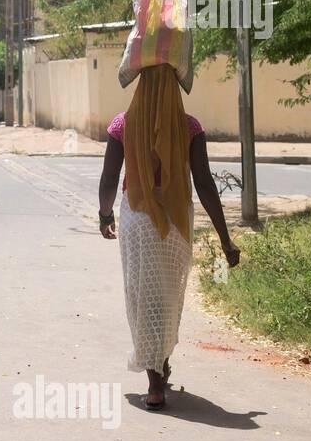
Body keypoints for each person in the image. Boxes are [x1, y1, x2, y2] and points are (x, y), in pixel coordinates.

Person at [98, 63, 240, 410]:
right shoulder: (189, 127)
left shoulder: (123, 125)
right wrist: (225, 238)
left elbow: (109, 178)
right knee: (166, 295)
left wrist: (105, 214)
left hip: (137, 220)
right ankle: (159, 366)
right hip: (176, 220)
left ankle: (155, 379)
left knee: (141, 294)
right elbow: (205, 185)